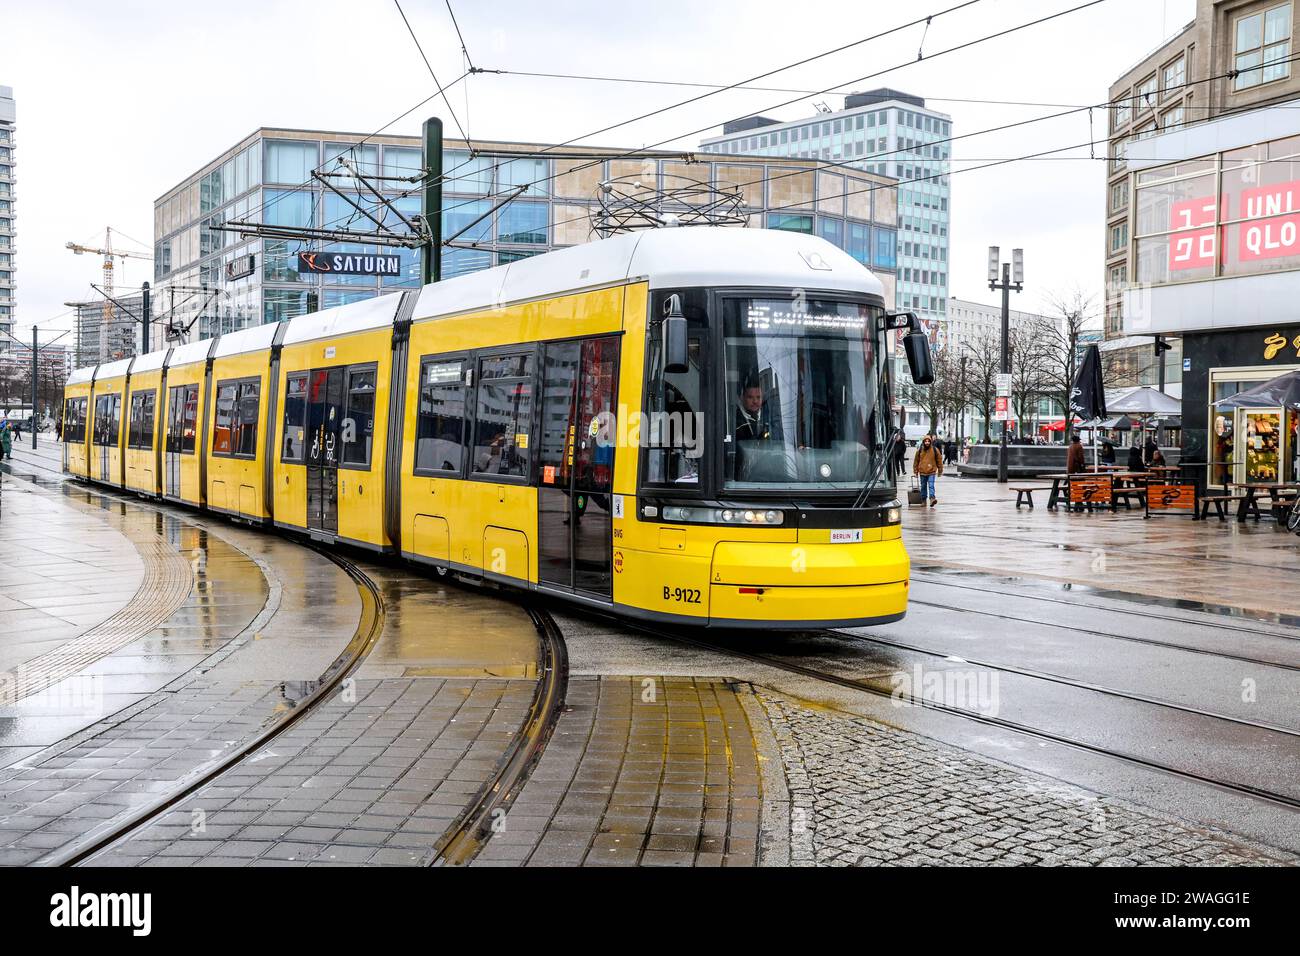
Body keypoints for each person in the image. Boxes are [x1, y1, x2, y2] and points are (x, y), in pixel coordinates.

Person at [733, 375, 782, 443]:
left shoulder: (770, 417)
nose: (755, 401)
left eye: (758, 397)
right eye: (750, 397)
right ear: (742, 398)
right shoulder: (734, 420)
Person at [913, 434, 943, 507]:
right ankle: (924, 501)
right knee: (923, 487)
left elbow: (939, 460)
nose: (927, 443)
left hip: (931, 471)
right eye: (925, 441)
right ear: (923, 442)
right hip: (922, 472)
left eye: (928, 441)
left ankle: (932, 499)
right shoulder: (919, 450)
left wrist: (940, 471)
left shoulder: (935, 450)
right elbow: (916, 461)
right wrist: (915, 471)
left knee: (931, 485)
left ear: (930, 442)